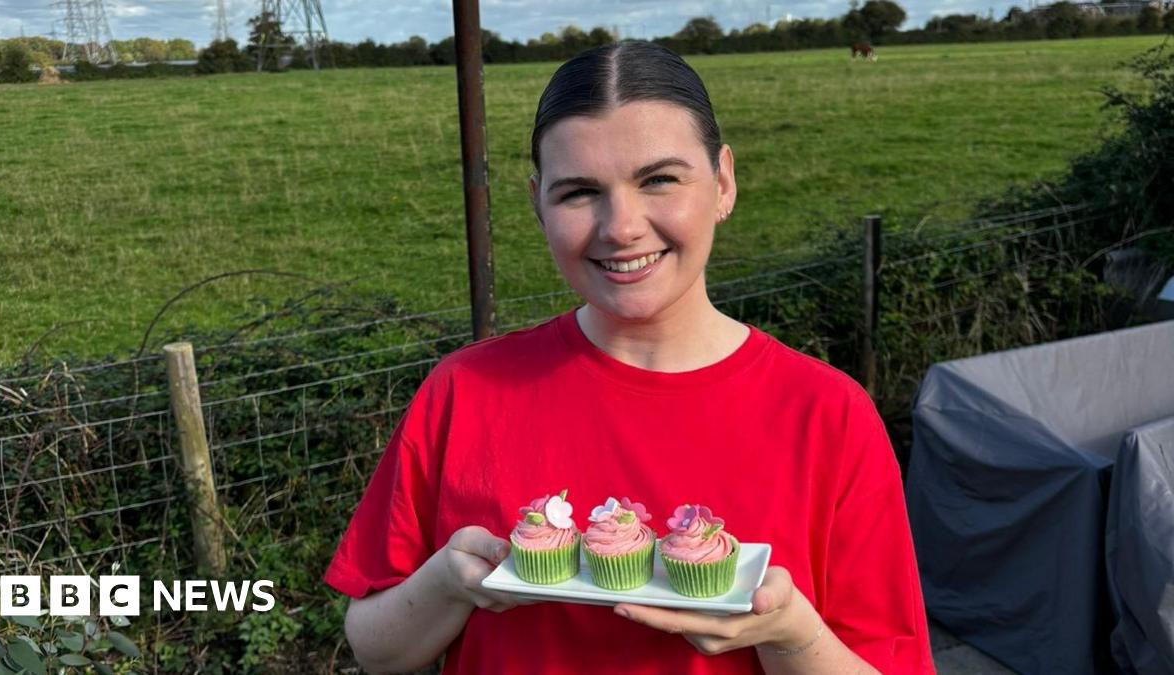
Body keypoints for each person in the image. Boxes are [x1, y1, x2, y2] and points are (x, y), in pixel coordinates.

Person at [324, 40, 934, 674]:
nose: (621, 226)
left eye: (659, 179)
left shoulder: (827, 415)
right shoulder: (466, 390)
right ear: (537, 203)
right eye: (578, 192)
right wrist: (448, 583)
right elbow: (376, 647)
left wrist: (789, 633)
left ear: (723, 182)